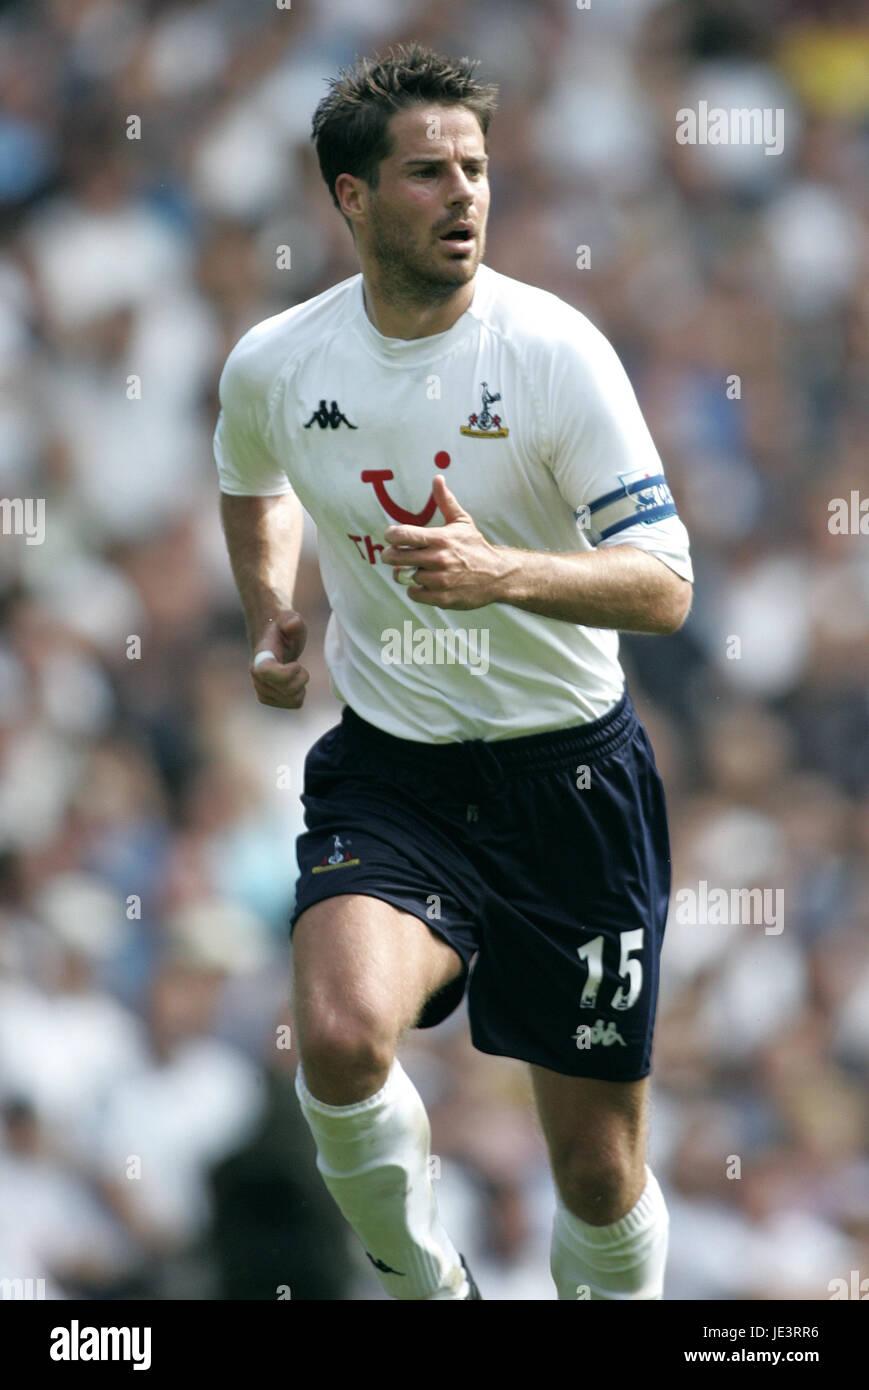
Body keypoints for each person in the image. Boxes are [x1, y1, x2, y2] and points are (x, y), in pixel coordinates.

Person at [214, 42, 693, 1301]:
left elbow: (665, 584)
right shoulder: (278, 360)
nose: (464, 194)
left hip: (570, 782)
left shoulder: (552, 351)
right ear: (352, 199)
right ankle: (434, 1290)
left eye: (475, 168)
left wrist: (503, 573)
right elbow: (249, 476)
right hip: (395, 774)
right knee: (335, 1034)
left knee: (594, 1174)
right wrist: (273, 608)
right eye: (427, 172)